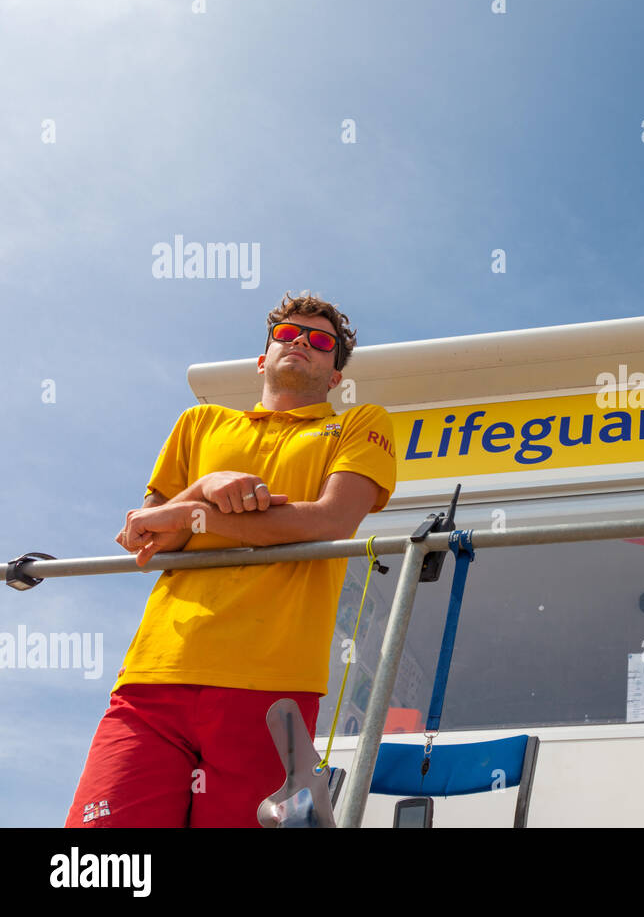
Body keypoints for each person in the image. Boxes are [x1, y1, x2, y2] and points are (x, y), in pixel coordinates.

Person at [65, 291, 397, 827]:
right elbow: (147, 538)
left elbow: (330, 522)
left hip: (273, 688)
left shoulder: (360, 423)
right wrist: (203, 486)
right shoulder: (198, 423)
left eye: (319, 343)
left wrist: (195, 517)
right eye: (287, 336)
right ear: (264, 358)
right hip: (154, 676)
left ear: (335, 375)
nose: (301, 345)